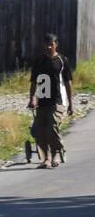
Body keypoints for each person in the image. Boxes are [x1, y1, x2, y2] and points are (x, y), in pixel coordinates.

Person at [29, 32, 74, 169]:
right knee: (39, 130)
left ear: (56, 45)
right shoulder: (39, 61)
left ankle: (55, 154)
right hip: (42, 101)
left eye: (51, 44)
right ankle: (46, 158)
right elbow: (34, 82)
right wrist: (32, 98)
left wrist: (71, 104)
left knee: (52, 127)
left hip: (58, 101)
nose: (48, 47)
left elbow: (68, 83)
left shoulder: (62, 60)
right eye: (46, 44)